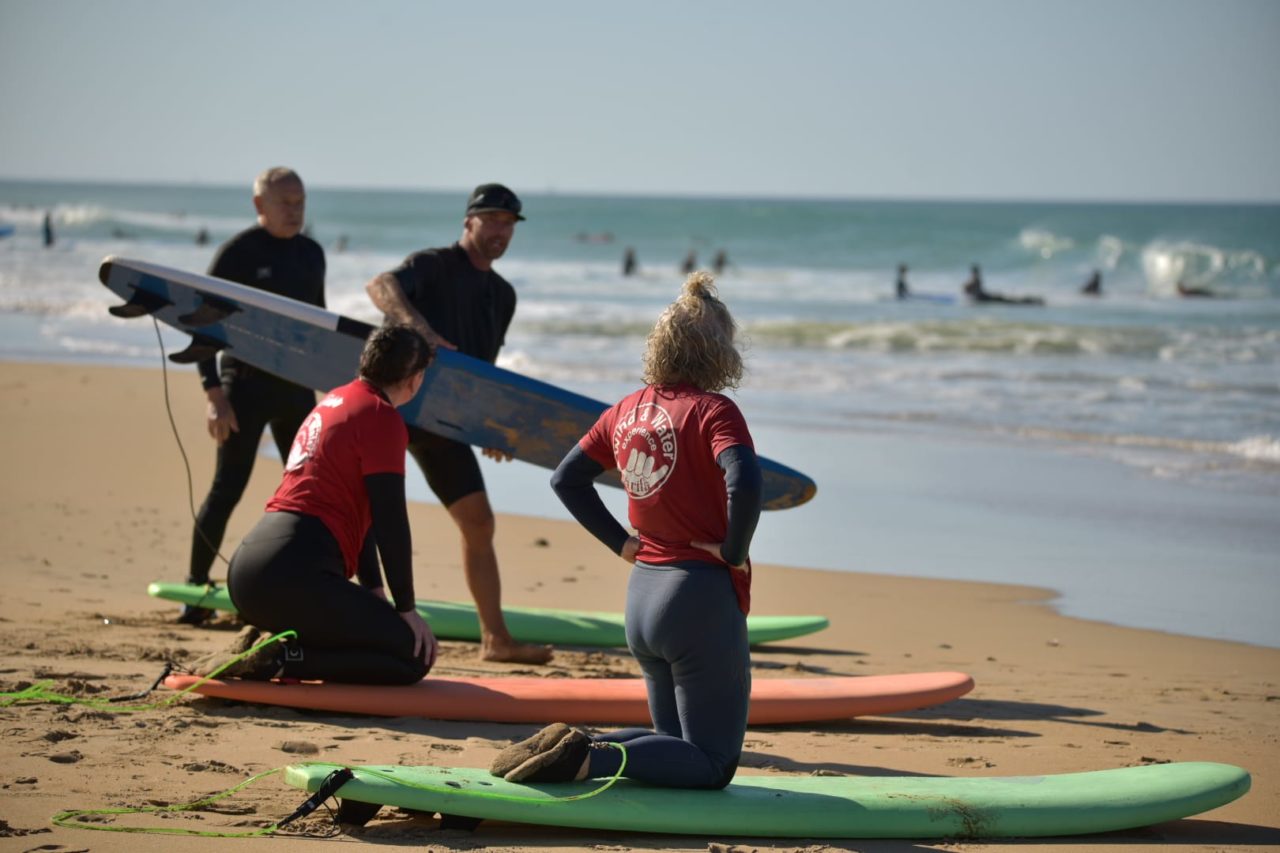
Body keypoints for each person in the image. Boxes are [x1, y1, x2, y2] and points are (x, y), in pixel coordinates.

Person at [490, 271, 763, 788]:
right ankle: (587, 759)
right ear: (719, 352)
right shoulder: (713, 411)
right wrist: (732, 550)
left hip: (643, 597)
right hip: (698, 598)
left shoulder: (625, 410)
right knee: (711, 763)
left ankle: (574, 744)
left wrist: (622, 543)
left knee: (677, 751)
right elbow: (746, 481)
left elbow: (566, 478)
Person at [364, 183, 551, 665]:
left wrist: (489, 426)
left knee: (479, 523)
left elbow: (480, 371)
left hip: (442, 424)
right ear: (468, 221)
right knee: (361, 517)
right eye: (491, 220)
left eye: (509, 223)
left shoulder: (502, 295)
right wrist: (421, 332)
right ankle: (349, 613)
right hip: (388, 409)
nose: (501, 231)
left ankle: (496, 639)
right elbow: (380, 287)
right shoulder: (433, 265)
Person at [191, 325, 438, 684]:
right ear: (415, 380)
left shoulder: (335, 401)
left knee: (384, 635)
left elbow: (362, 513)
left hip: (250, 569)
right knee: (412, 656)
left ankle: (270, 652)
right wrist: (406, 608)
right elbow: (389, 520)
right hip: (294, 574)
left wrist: (374, 593)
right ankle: (282, 660)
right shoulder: (381, 417)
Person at [179, 167, 326, 625]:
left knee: (309, 492)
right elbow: (199, 323)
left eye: (300, 202)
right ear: (260, 205)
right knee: (229, 487)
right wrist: (213, 393)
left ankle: (300, 584)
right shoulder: (239, 253)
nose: (295, 210)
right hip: (244, 387)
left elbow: (317, 325)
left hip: (296, 389)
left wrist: (326, 392)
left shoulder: (312, 253)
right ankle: (194, 592)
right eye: (285, 202)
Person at [962, 263, 1043, 306]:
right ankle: (1032, 301)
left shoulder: (975, 279)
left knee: (1009, 300)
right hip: (984, 297)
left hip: (984, 297)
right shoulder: (975, 279)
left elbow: (967, 288)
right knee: (1008, 300)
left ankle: (1032, 301)